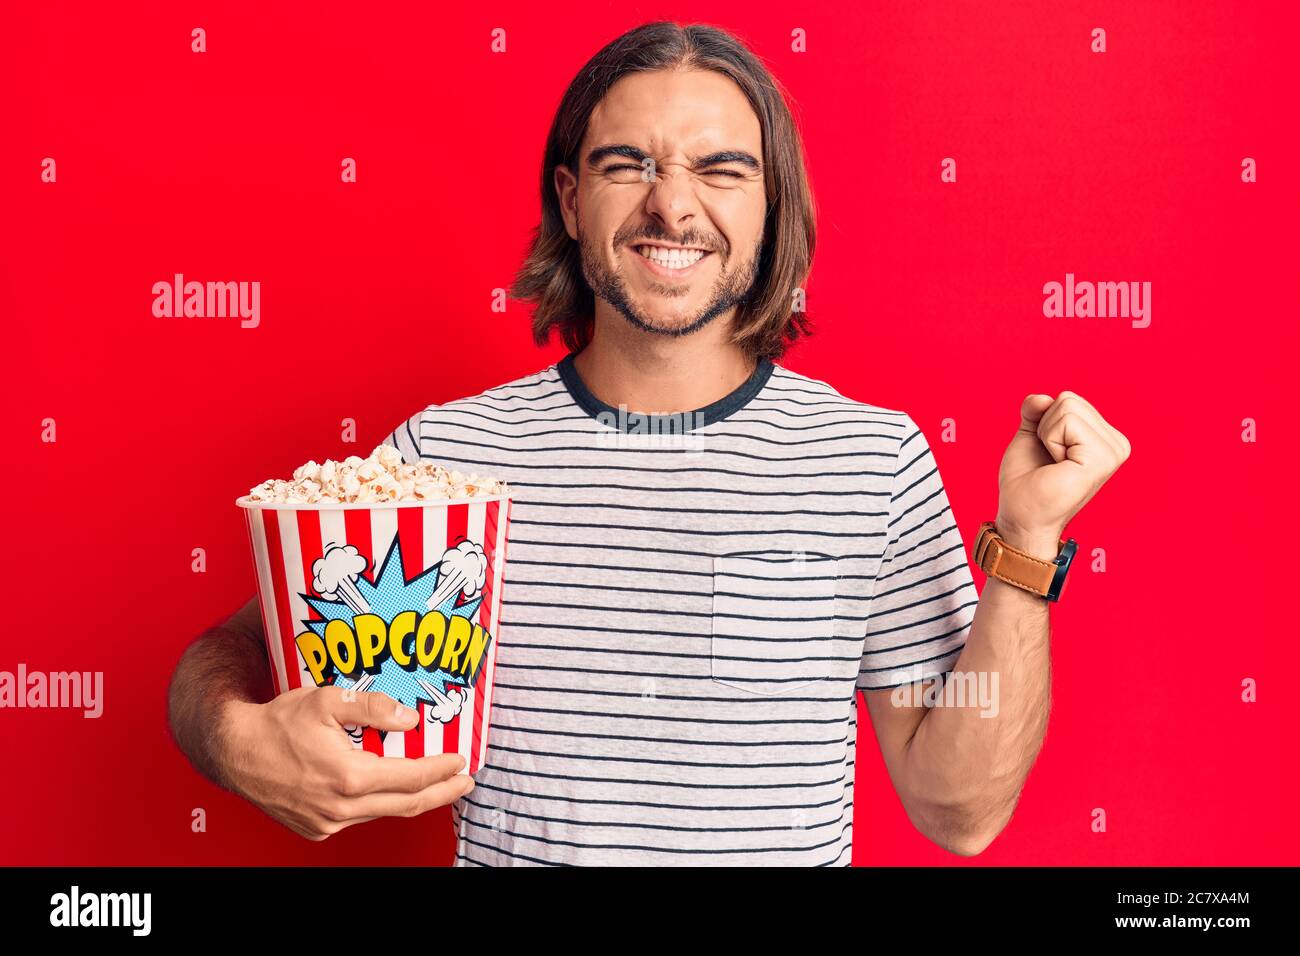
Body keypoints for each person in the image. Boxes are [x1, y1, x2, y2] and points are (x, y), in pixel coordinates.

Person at [168, 20, 1130, 865]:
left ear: (769, 207)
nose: (672, 206)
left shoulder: (870, 461)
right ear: (571, 196)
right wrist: (234, 739)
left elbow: (958, 812)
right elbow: (236, 650)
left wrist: (1027, 545)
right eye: (628, 164)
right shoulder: (441, 458)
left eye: (721, 170)